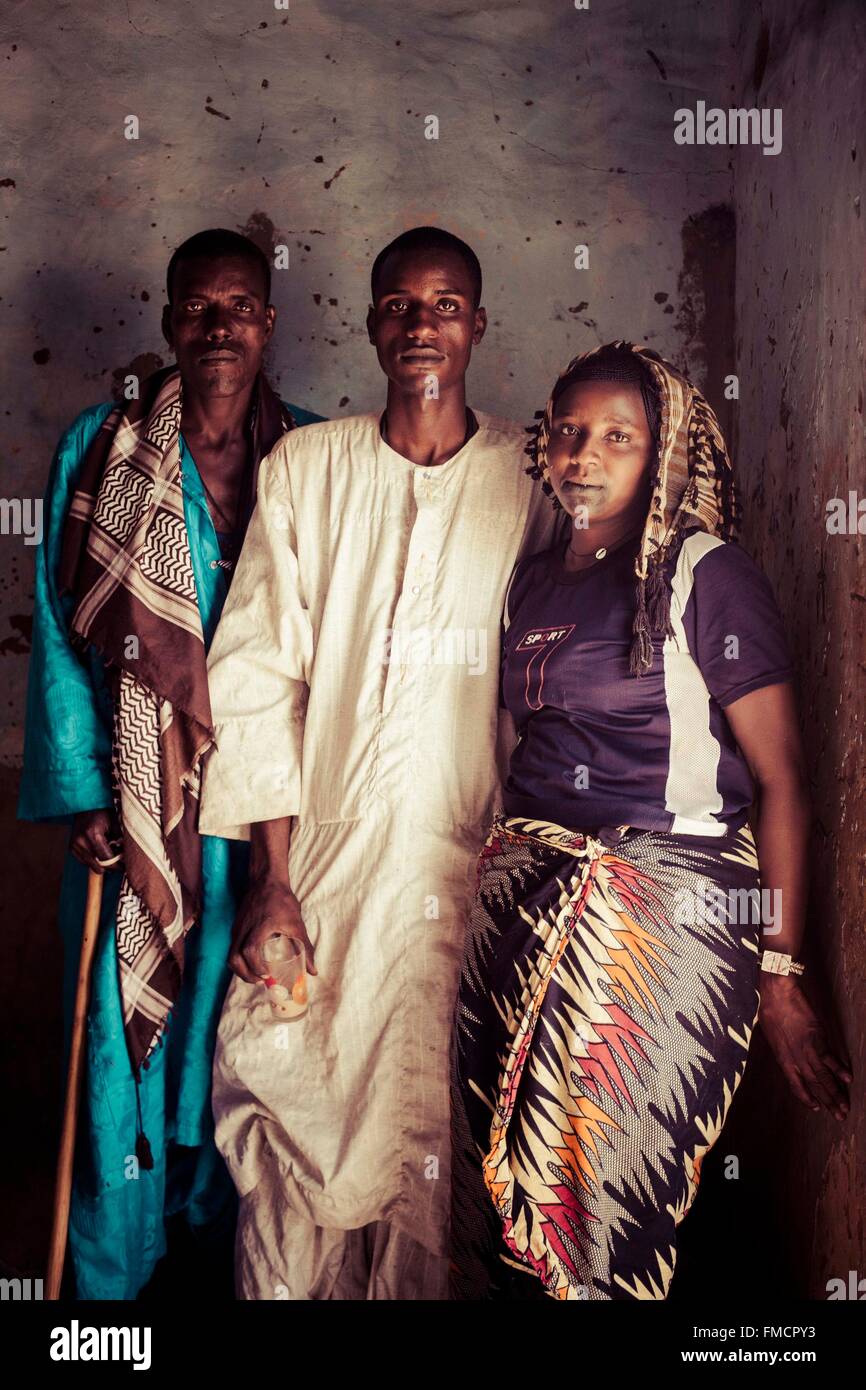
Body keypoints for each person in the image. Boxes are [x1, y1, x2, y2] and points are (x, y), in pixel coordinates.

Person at [197, 226, 559, 1300]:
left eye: (445, 305)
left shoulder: (529, 482)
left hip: (469, 874)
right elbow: (260, 675)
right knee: (292, 1102)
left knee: (441, 1136)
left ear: (477, 326)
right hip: (329, 869)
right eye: (399, 306)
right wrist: (272, 876)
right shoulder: (307, 470)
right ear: (369, 325)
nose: (421, 326)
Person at [449, 341, 853, 1301]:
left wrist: (783, 974)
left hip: (664, 910)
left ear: (664, 452)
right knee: (501, 1189)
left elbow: (783, 777)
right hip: (523, 902)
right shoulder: (531, 581)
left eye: (618, 439)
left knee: (595, 1196)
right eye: (569, 433)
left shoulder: (701, 572)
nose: (584, 456)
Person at [18, 228, 321, 1300]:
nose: (217, 328)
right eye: (196, 309)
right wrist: (88, 793)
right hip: (133, 814)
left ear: (269, 323)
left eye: (239, 308)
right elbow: (58, 631)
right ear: (166, 322)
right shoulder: (99, 448)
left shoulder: (312, 456)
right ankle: (109, 1297)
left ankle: (220, 1266)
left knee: (234, 1044)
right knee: (119, 1048)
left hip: (267, 818)